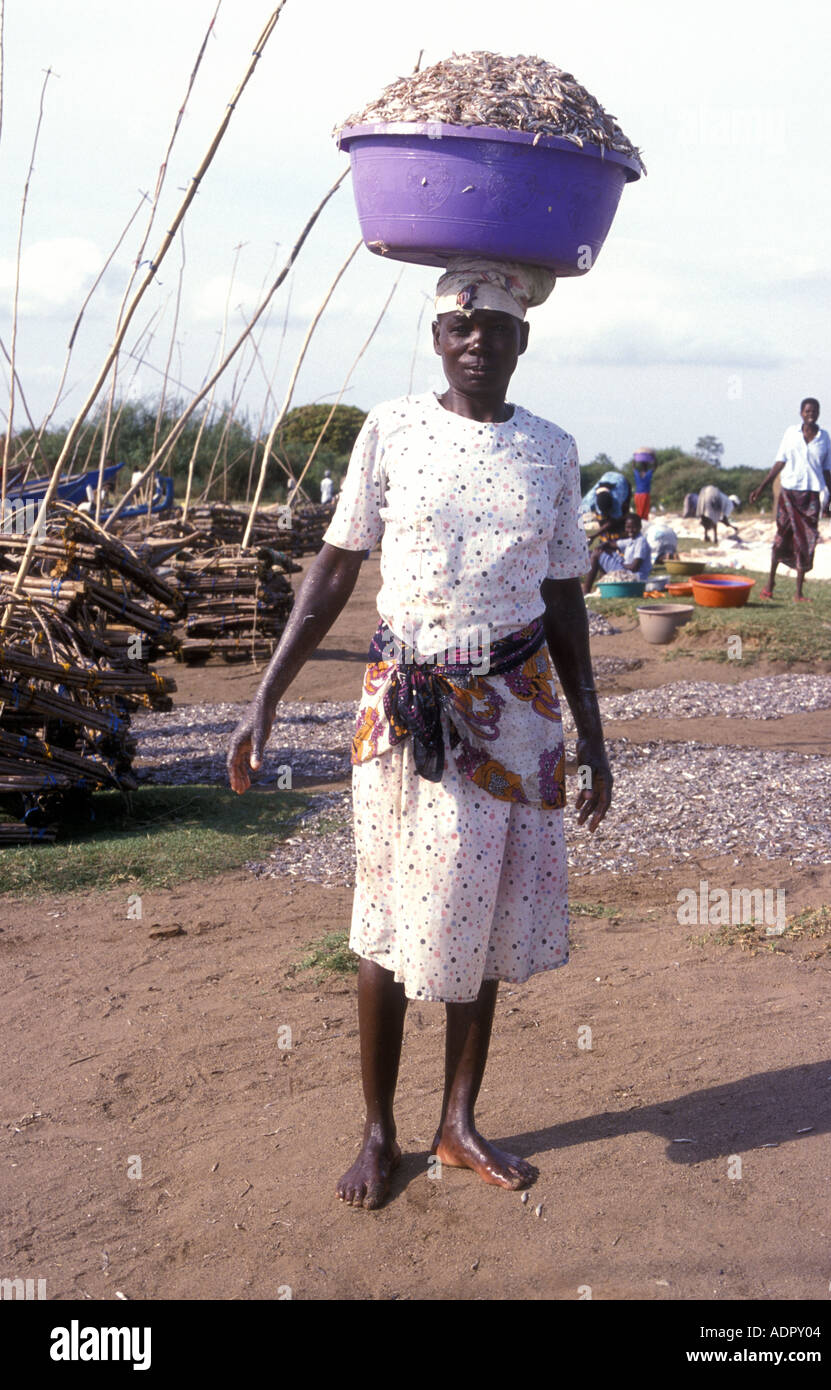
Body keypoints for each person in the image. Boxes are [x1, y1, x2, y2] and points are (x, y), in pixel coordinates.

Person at [227, 257, 612, 1210]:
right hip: (406, 714)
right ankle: (377, 1129)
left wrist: (595, 736)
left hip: (515, 712)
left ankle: (457, 1122)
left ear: (524, 338)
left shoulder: (552, 451)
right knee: (389, 919)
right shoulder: (391, 431)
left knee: (479, 920)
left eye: (496, 327)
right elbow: (333, 567)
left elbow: (564, 596)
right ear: (437, 338)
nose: (477, 340)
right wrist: (263, 698)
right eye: (458, 326)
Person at [750, 397, 831, 601]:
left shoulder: (824, 437)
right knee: (781, 539)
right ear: (801, 413)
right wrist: (762, 487)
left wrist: (829, 500)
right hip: (789, 493)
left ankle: (798, 592)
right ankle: (769, 584)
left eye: (814, 411)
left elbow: (827, 471)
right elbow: (780, 461)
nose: (811, 414)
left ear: (819, 413)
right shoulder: (791, 434)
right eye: (807, 411)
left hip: (812, 496)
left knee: (805, 541)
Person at [617, 511, 653, 580]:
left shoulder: (641, 541)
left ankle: (590, 589)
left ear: (640, 527)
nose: (630, 530)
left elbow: (634, 567)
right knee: (600, 553)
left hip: (636, 577)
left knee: (598, 556)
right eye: (628, 527)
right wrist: (604, 545)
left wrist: (620, 565)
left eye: (633, 527)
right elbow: (615, 544)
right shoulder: (632, 539)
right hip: (629, 573)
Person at [632, 449, 656, 520]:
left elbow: (633, 467)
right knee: (645, 511)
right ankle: (642, 522)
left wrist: (635, 457)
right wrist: (654, 458)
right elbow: (655, 467)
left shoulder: (637, 474)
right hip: (645, 494)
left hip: (637, 495)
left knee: (639, 510)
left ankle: (640, 521)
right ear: (646, 467)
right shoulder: (648, 474)